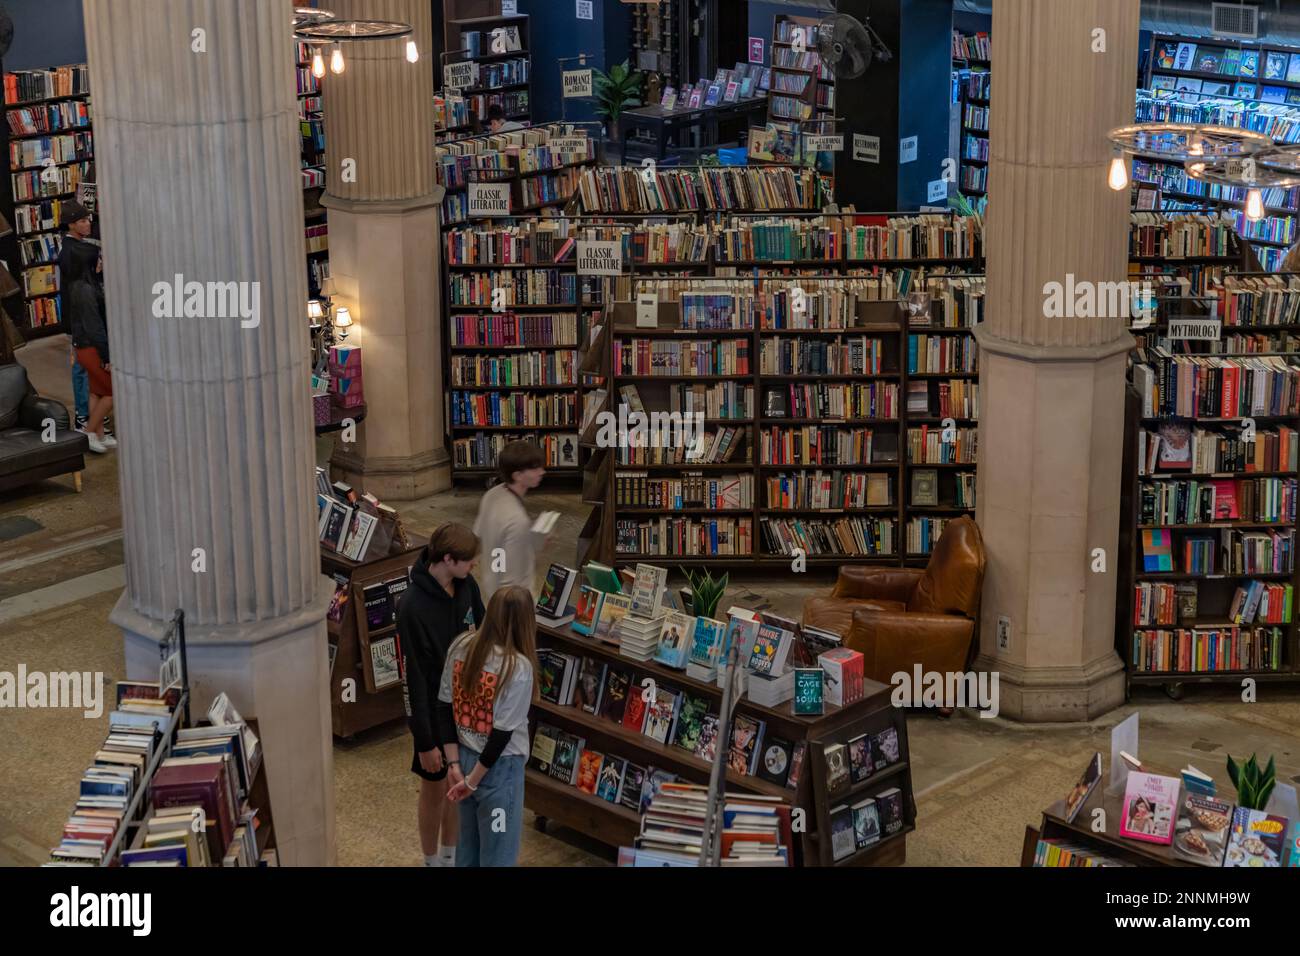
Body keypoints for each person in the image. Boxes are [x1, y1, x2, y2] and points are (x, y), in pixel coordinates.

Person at [397, 523, 485, 867]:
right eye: (469, 562)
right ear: (448, 559)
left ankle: (451, 858)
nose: (474, 568)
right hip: (432, 715)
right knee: (433, 791)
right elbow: (412, 678)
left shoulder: (466, 586)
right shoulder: (411, 608)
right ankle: (431, 860)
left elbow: (484, 626)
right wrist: (424, 742)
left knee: (458, 788)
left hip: (465, 710)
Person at [437, 585, 537, 867]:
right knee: (497, 856)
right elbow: (501, 735)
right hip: (498, 772)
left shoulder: (460, 646)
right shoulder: (518, 667)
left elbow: (444, 707)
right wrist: (474, 781)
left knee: (467, 852)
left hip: (464, 759)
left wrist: (454, 765)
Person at [59, 201, 113, 453]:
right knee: (109, 390)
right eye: (82, 220)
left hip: (84, 336)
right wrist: (107, 355)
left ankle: (98, 432)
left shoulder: (84, 280)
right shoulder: (83, 287)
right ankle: (89, 429)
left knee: (95, 389)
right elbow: (94, 322)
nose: (87, 223)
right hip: (87, 339)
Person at [473, 440, 549, 601]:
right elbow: (511, 581)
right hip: (515, 602)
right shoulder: (517, 520)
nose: (542, 472)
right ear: (518, 475)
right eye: (535, 468)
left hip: (490, 584)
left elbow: (480, 534)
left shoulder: (492, 494)